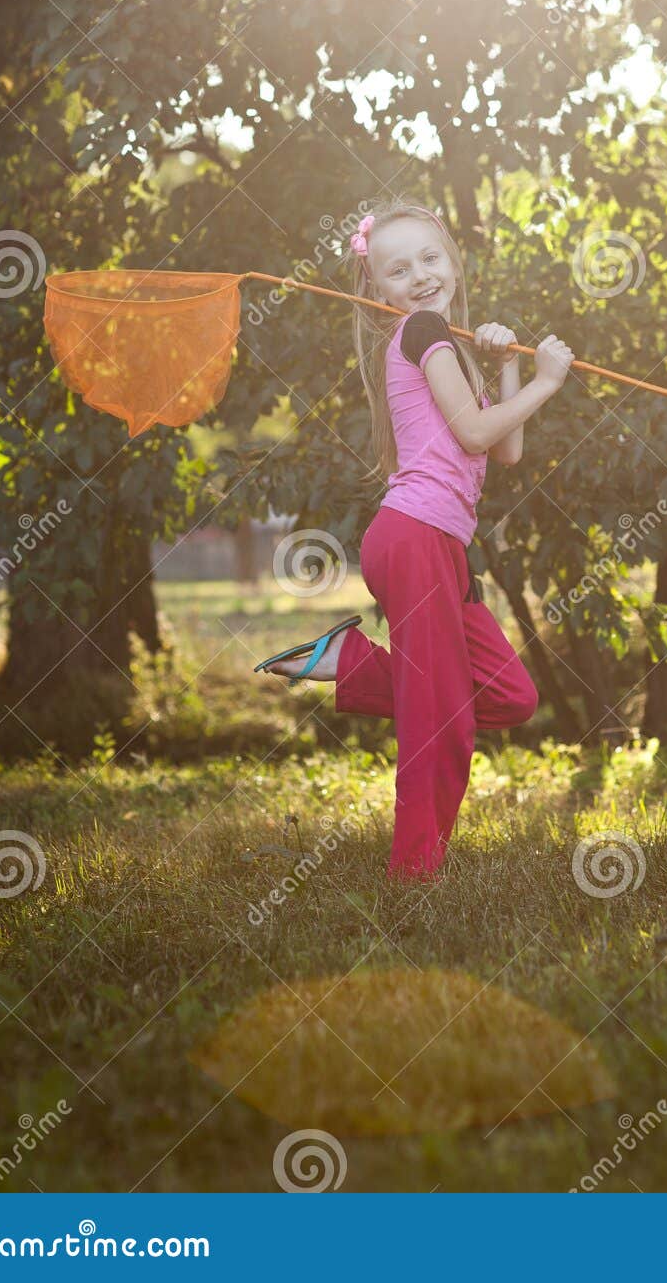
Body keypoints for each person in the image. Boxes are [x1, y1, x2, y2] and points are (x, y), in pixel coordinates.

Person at [256, 197, 574, 879]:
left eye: (430, 258)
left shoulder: (445, 340)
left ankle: (347, 664)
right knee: (441, 720)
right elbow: (475, 434)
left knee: (509, 695)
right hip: (414, 536)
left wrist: (509, 365)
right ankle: (414, 873)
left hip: (438, 547)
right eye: (398, 268)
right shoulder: (422, 330)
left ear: (454, 261)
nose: (420, 275)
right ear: (377, 288)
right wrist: (548, 381)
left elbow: (506, 449)